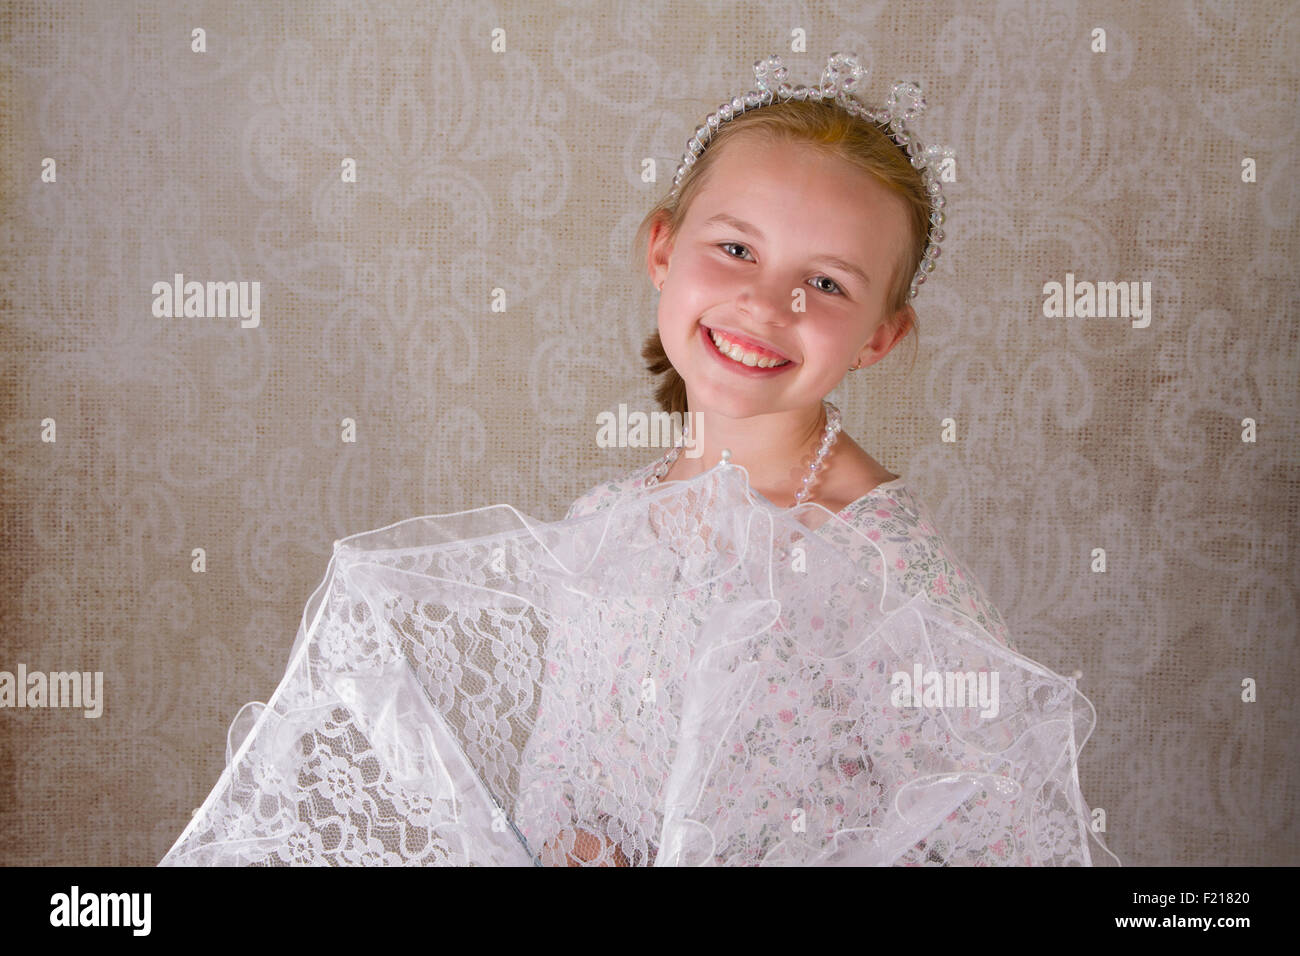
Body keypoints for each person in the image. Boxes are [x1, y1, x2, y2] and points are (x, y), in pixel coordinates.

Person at [160, 54, 1116, 868]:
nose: (765, 302)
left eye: (825, 283)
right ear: (663, 250)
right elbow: (572, 768)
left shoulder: (879, 554)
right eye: (736, 248)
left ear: (878, 337)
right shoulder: (609, 517)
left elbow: (996, 835)